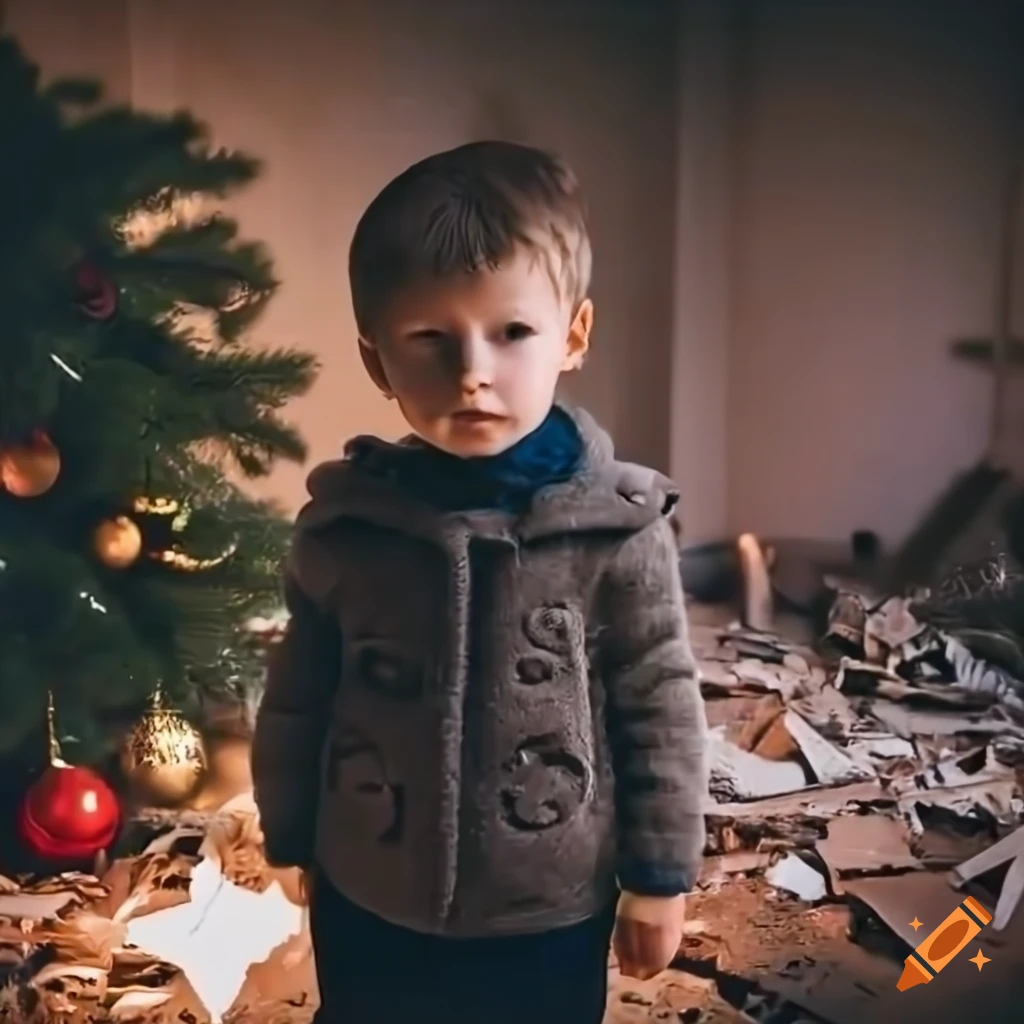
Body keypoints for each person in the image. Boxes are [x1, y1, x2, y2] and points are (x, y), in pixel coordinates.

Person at [251, 140, 708, 1024]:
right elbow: (299, 693)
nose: (472, 372)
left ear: (572, 336)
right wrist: (292, 828)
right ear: (378, 360)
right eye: (430, 339)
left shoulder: (620, 532)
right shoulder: (347, 531)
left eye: (512, 333)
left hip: (547, 905)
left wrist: (659, 877)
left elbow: (659, 706)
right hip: (369, 890)